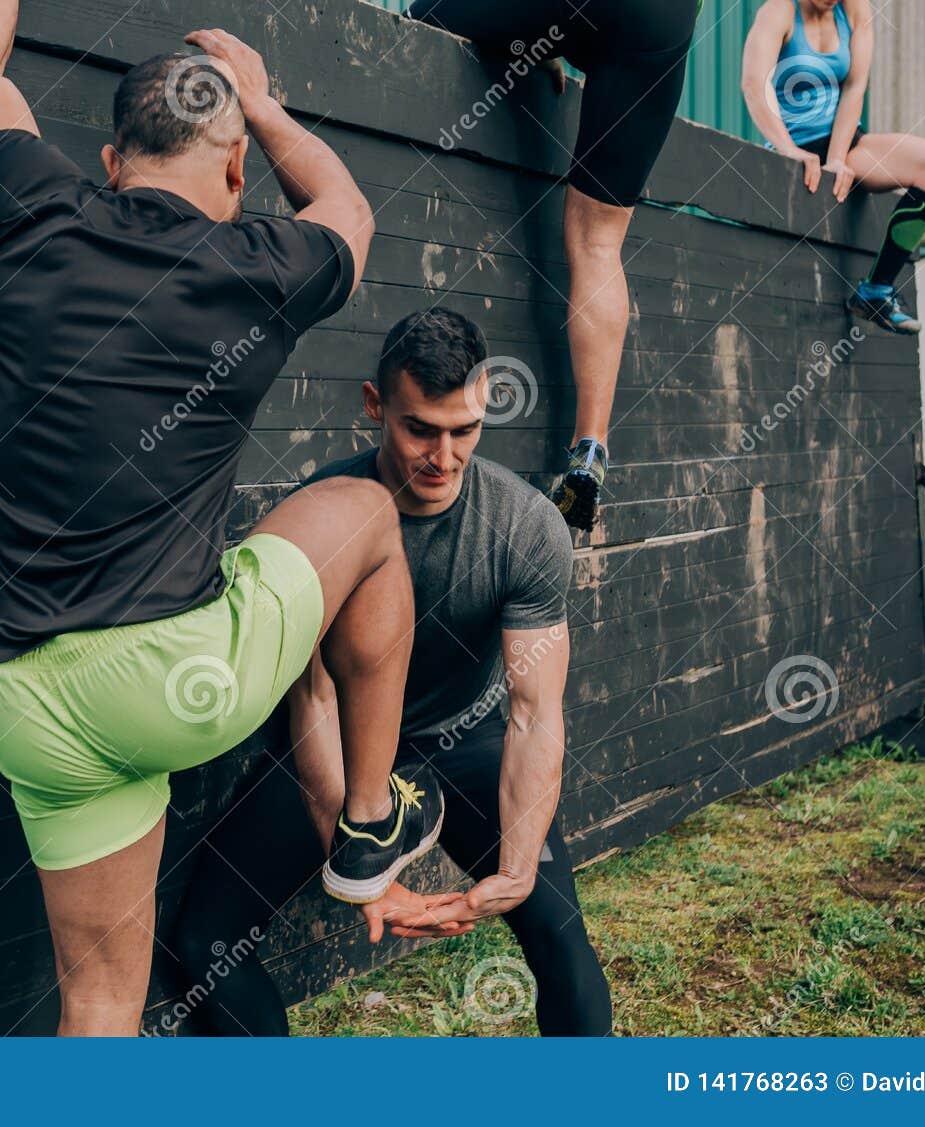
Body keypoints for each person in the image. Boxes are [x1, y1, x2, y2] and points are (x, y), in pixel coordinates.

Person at [0, 1, 444, 1035]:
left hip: (29, 703)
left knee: (99, 1001)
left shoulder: (29, 209)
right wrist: (260, 105)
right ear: (232, 176)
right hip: (174, 680)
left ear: (112, 160)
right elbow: (346, 204)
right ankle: (364, 819)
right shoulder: (259, 264)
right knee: (367, 512)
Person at [171, 308, 612, 1037]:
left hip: (461, 736)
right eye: (420, 429)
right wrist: (359, 859)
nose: (443, 455)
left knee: (560, 933)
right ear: (376, 407)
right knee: (203, 944)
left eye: (463, 430)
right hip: (342, 740)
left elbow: (535, 712)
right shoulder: (322, 514)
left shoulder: (524, 525)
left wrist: (521, 864)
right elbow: (311, 697)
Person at [407, 1, 702, 532]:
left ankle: (533, 43)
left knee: (426, 10)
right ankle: (590, 450)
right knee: (598, 243)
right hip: (665, 19)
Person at [742, 0, 925, 334]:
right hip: (793, 147)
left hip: (844, 145)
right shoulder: (780, 10)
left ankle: (876, 291)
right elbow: (754, 85)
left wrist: (838, 159)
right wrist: (788, 150)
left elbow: (855, 87)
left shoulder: (855, 10)